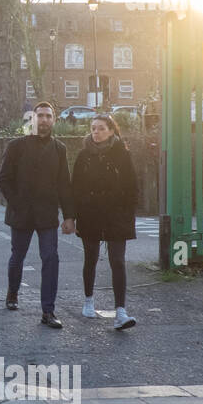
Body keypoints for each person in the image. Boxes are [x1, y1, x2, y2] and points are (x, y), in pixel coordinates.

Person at [0, 101, 74, 328]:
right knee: (17, 256)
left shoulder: (60, 149)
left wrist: (69, 216)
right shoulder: (16, 146)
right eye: (40, 116)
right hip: (21, 214)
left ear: (54, 120)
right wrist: (18, 204)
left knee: (50, 259)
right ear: (33, 119)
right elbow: (3, 180)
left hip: (47, 215)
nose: (44, 120)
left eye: (48, 116)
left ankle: (48, 312)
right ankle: (12, 293)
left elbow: (64, 185)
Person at [72, 114, 138, 330]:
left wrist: (127, 212)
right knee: (90, 258)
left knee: (117, 261)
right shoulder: (83, 155)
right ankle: (88, 301)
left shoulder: (122, 154)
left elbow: (132, 187)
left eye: (101, 128)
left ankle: (121, 311)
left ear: (111, 130)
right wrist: (74, 214)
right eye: (93, 128)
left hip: (116, 215)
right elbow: (76, 186)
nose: (96, 132)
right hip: (90, 215)